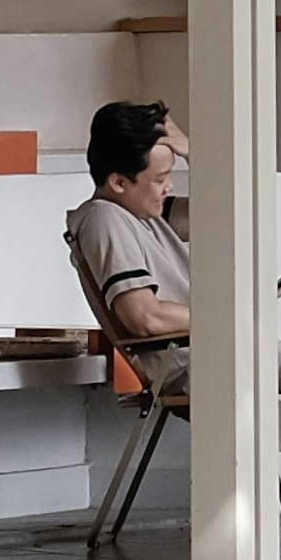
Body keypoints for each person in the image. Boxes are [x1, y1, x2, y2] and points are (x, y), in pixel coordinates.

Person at [66, 101, 196, 389]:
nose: (169, 187)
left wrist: (192, 152)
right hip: (192, 365)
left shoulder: (144, 213)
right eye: (160, 179)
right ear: (119, 183)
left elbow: (226, 216)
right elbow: (145, 317)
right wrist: (230, 315)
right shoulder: (104, 217)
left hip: (219, 356)